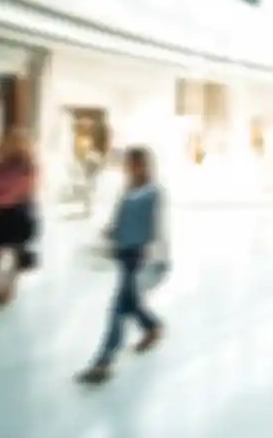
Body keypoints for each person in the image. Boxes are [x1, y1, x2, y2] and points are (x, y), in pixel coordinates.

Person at [75, 147, 167, 385]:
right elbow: (119, 219)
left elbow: (154, 227)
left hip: (140, 257)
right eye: (129, 164)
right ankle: (152, 326)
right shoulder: (128, 190)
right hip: (124, 253)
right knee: (130, 303)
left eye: (135, 163)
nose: (131, 168)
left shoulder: (152, 192)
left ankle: (103, 362)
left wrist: (151, 254)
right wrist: (109, 232)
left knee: (118, 309)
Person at [0, 128, 38, 310]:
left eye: (16, 142)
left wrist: (0, 192)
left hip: (17, 213)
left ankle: (8, 289)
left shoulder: (28, 167)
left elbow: (22, 190)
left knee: (15, 253)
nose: (12, 146)